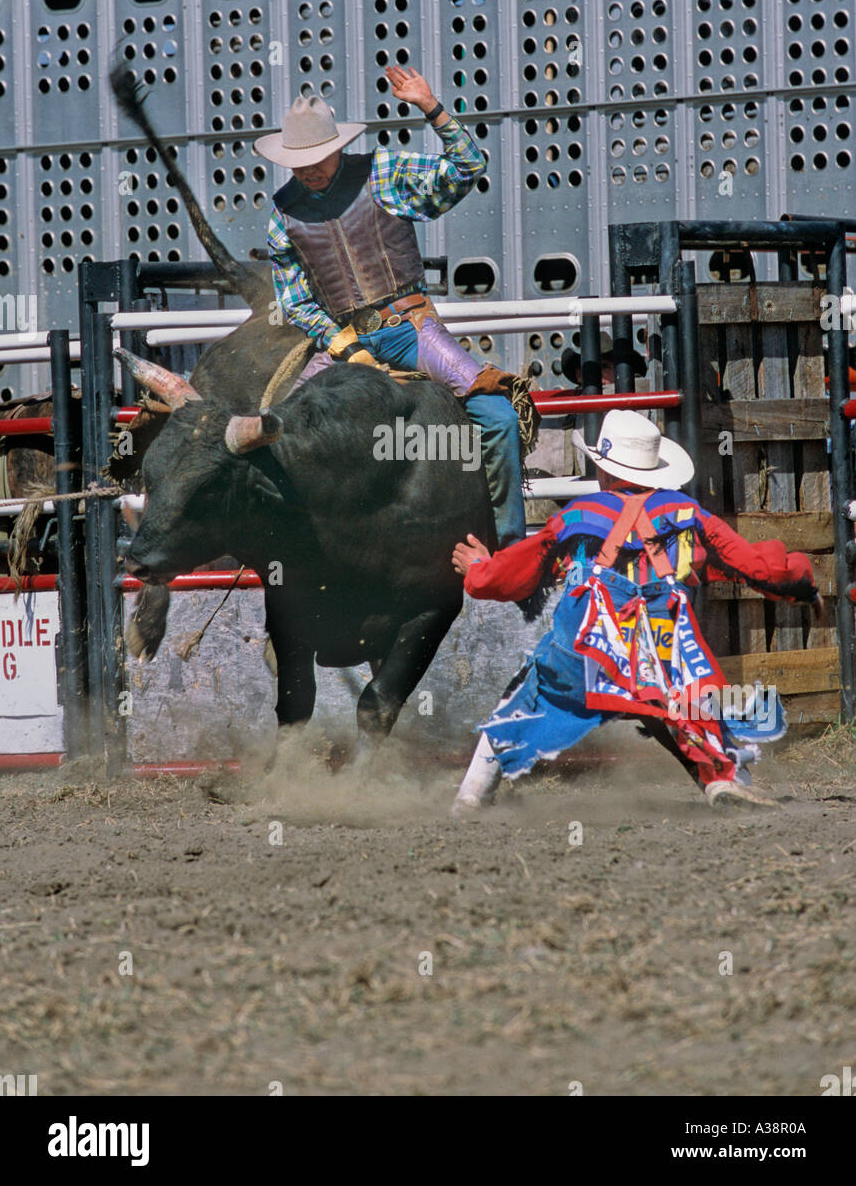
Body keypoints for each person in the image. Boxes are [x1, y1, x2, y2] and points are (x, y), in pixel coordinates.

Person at [450, 409, 820, 815]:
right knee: (693, 705)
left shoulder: (575, 518)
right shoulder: (688, 514)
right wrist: (801, 586)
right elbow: (754, 567)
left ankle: (470, 797)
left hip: (586, 650)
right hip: (660, 651)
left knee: (524, 696)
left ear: (604, 472)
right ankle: (725, 780)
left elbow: (517, 573)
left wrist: (479, 569)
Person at [254, 67, 526, 548]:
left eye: (317, 156)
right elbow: (294, 299)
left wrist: (431, 107)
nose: (309, 168)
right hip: (343, 340)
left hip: (410, 327)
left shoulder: (381, 172)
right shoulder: (282, 213)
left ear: (337, 148)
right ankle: (297, 551)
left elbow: (467, 168)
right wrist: (341, 342)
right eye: (299, 160)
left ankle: (505, 549)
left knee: (497, 415)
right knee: (275, 430)